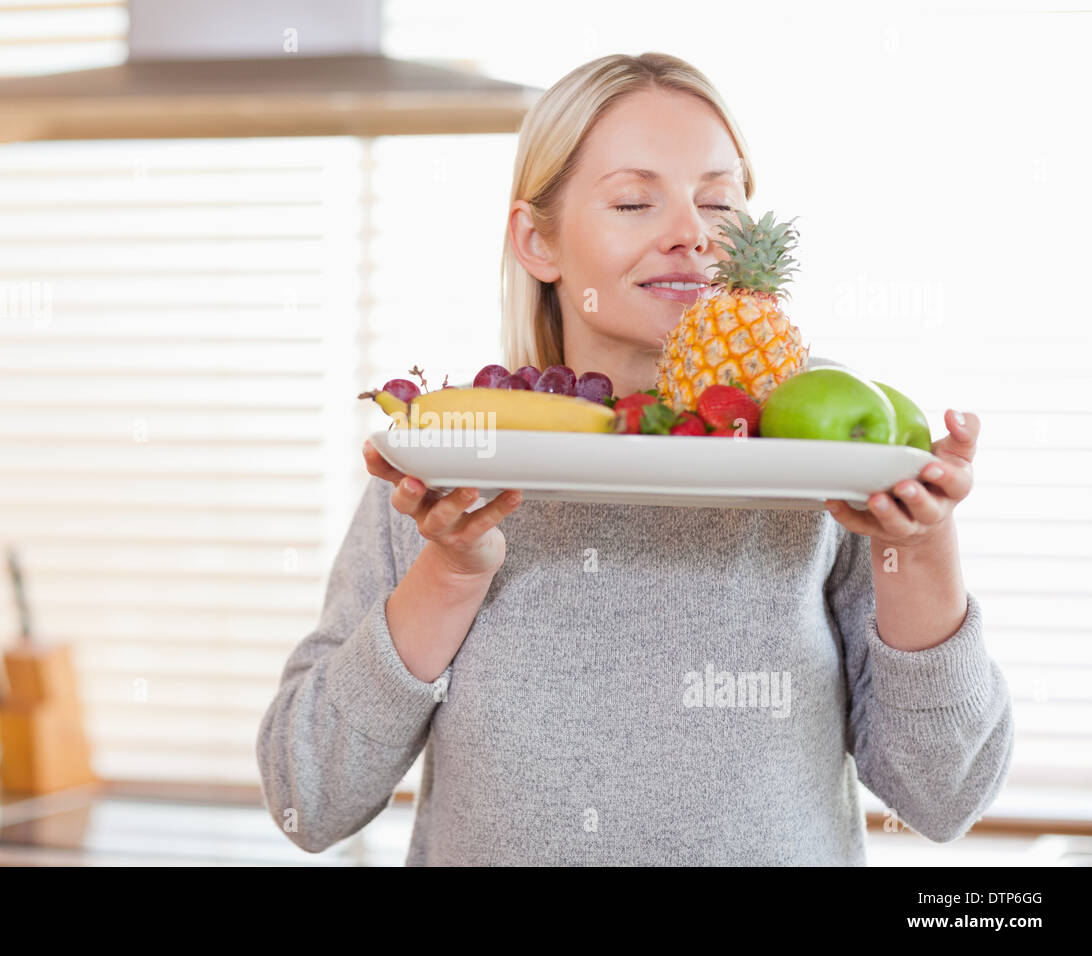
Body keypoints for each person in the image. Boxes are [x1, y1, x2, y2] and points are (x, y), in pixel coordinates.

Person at [256, 52, 1013, 865]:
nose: (692, 232)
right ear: (536, 241)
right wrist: (450, 576)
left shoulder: (824, 464)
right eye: (633, 200)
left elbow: (945, 797)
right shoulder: (448, 470)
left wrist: (921, 546)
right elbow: (309, 797)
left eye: (720, 200)